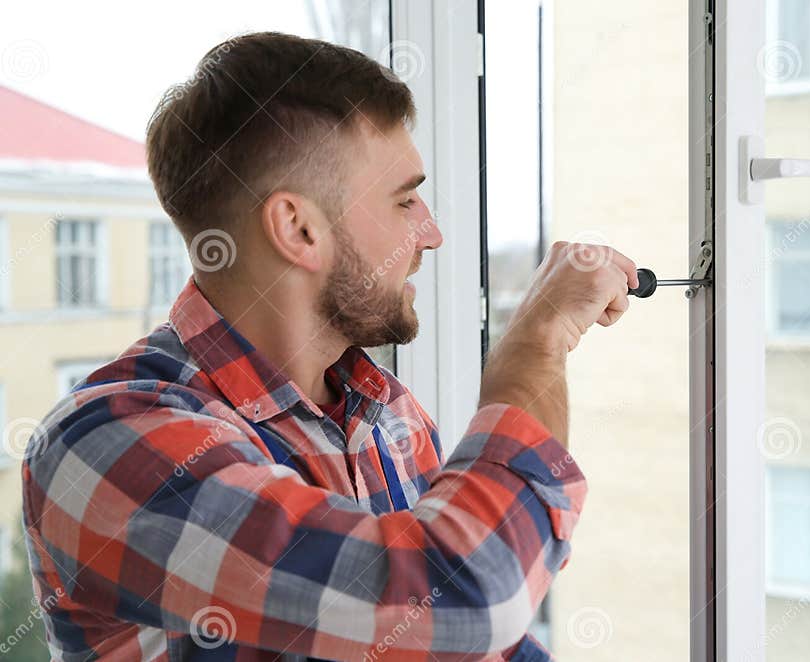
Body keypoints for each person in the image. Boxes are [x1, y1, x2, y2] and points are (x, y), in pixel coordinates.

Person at [21, 32, 638, 661]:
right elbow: (468, 600)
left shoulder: (384, 413)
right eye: (404, 201)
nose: (431, 232)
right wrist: (537, 344)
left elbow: (479, 648)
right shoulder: (109, 441)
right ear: (298, 229)